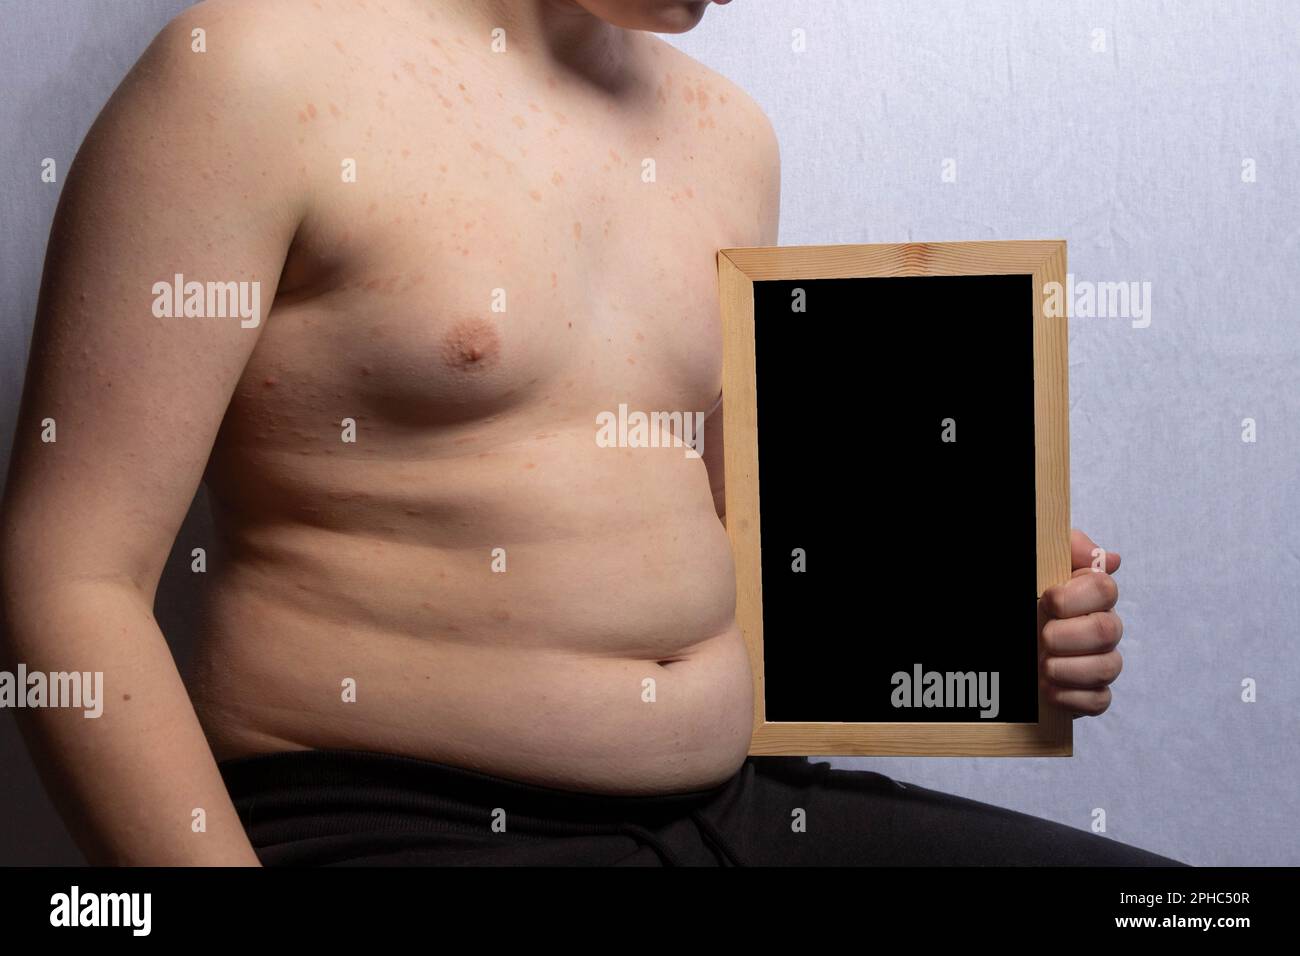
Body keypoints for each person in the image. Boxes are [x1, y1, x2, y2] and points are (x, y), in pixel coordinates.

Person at [0, 0, 1184, 866]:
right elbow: (68, 577)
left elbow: (730, 546)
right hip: (394, 817)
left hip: (746, 805)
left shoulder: (732, 135)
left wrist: (985, 637)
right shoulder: (249, 72)